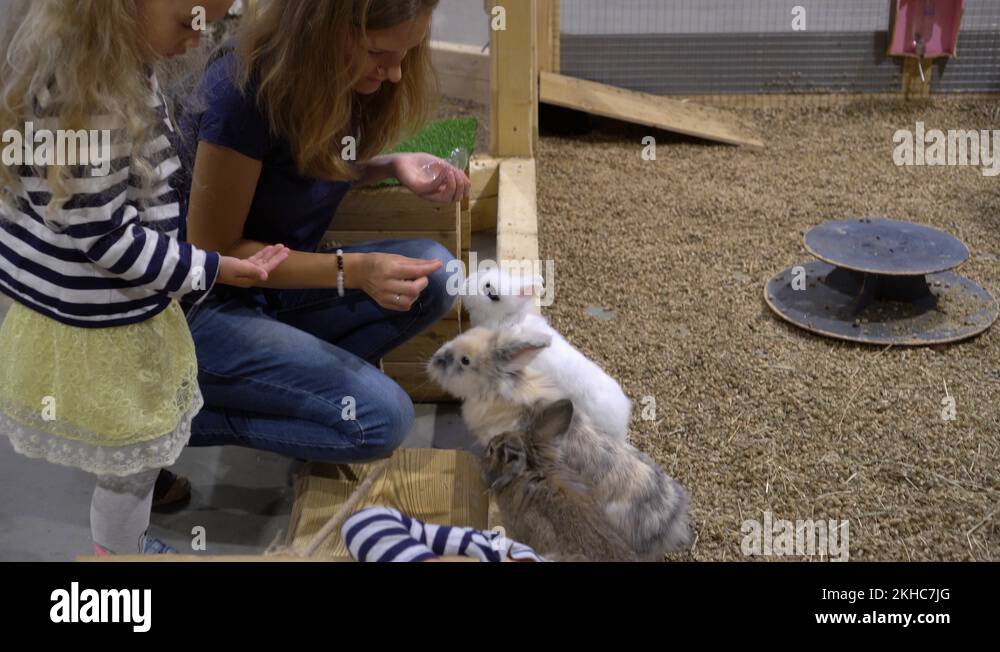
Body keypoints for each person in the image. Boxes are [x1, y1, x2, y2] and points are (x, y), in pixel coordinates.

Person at [0, 0, 289, 555]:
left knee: (133, 439)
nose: (200, 38)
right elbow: (109, 240)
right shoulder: (91, 105)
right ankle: (117, 555)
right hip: (102, 320)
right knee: (125, 459)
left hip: (108, 302)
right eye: (189, 22)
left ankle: (140, 491)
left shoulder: (111, 66)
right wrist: (214, 267)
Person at [178, 0, 470, 462]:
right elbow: (217, 253)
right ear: (325, 32)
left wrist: (390, 165)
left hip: (272, 293)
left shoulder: (336, 78)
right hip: (204, 307)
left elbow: (298, 171)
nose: (395, 73)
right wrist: (352, 270)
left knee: (438, 275)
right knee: (381, 418)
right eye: (379, 52)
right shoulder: (241, 92)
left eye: (407, 53)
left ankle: (293, 384)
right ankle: (182, 417)